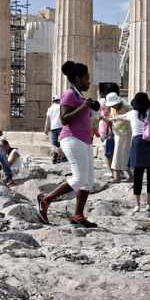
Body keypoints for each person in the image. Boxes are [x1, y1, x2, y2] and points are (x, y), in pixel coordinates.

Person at [36, 61, 100, 228]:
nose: (89, 82)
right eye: (87, 78)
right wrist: (84, 107)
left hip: (84, 140)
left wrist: (88, 106)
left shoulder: (79, 95)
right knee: (79, 179)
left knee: (89, 181)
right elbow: (64, 119)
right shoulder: (69, 94)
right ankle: (45, 199)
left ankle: (78, 215)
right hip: (71, 139)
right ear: (78, 78)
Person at [124, 92, 150, 212]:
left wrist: (109, 118)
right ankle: (149, 204)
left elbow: (120, 117)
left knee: (138, 175)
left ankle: (137, 205)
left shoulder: (131, 113)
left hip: (138, 143)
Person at [103, 92, 132, 182]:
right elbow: (112, 121)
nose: (113, 107)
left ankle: (118, 177)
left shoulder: (128, 107)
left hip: (126, 133)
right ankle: (124, 176)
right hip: (117, 134)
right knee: (119, 155)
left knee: (120, 155)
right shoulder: (112, 109)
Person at [44, 96, 63, 164]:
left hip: (53, 127)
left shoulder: (50, 108)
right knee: (62, 141)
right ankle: (61, 156)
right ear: (59, 100)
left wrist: (46, 128)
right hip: (61, 126)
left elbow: (48, 119)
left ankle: (54, 156)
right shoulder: (61, 107)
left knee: (54, 142)